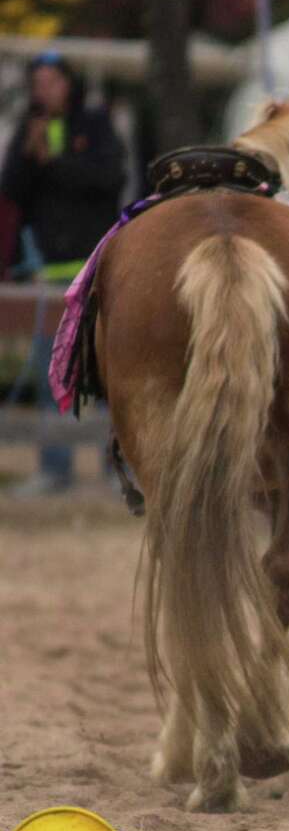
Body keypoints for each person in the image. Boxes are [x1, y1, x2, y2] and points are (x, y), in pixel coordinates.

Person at [0, 50, 126, 496]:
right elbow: (12, 189)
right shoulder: (31, 128)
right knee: (52, 371)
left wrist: (54, 160)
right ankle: (54, 468)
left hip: (95, 268)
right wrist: (28, 152)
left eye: (52, 80)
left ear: (68, 83)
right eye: (38, 80)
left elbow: (108, 179)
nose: (44, 88)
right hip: (47, 273)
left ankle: (119, 467)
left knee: (109, 369)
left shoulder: (93, 124)